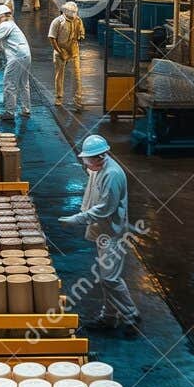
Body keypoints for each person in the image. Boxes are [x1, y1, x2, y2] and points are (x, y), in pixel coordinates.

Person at [58, 135, 139, 338]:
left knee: (110, 278)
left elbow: (105, 209)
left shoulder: (112, 175)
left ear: (102, 156)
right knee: (106, 279)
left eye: (89, 160)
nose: (86, 164)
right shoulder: (98, 168)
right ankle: (109, 317)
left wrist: (77, 219)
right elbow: (92, 187)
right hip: (103, 232)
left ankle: (131, 315)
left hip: (113, 233)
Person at [48, 0, 86, 110]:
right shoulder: (57, 22)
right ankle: (59, 97)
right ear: (65, 11)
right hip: (61, 49)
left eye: (75, 12)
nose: (74, 15)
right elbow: (52, 38)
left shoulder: (78, 20)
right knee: (59, 75)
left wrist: (80, 36)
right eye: (72, 12)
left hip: (73, 50)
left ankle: (78, 99)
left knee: (77, 75)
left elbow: (81, 33)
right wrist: (60, 52)